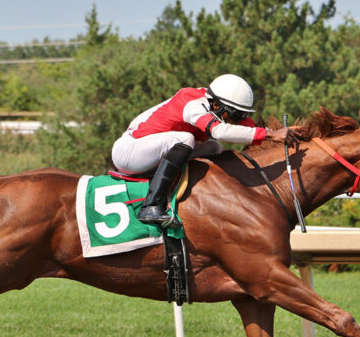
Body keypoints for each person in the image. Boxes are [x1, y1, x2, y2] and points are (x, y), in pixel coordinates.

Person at [112, 73, 290, 226]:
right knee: (187, 139)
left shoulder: (216, 102)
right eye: (235, 115)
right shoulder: (193, 105)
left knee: (214, 148)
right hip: (129, 153)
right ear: (216, 106)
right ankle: (151, 206)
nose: (236, 120)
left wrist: (276, 134)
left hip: (152, 150)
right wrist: (269, 136)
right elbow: (219, 131)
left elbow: (248, 128)